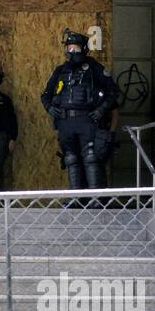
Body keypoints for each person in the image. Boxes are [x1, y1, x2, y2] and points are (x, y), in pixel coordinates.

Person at [40, 30, 121, 193]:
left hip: (88, 122)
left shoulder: (94, 68)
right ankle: (76, 199)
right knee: (71, 158)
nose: (71, 52)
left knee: (91, 158)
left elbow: (113, 92)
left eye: (75, 48)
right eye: (69, 48)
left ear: (83, 49)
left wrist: (101, 110)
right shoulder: (60, 70)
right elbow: (46, 94)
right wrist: (49, 107)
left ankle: (97, 200)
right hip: (66, 123)